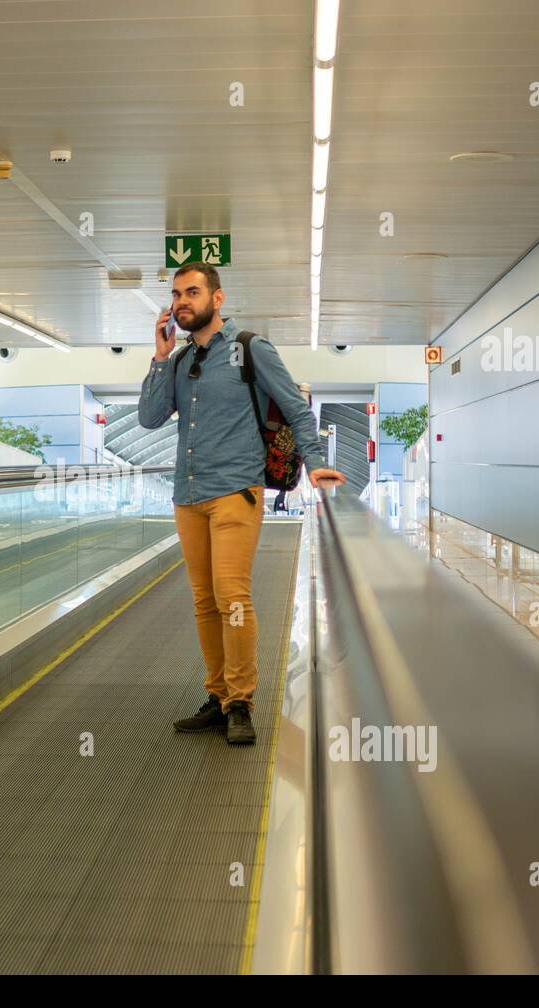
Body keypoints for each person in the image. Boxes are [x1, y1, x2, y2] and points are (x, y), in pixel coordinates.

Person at [138, 264, 345, 745]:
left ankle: (240, 701)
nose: (182, 302)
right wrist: (160, 356)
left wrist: (314, 463)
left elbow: (295, 407)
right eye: (176, 295)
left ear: (218, 297)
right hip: (188, 496)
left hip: (236, 490)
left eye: (192, 292)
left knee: (232, 596)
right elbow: (149, 418)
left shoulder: (250, 348)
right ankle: (215, 695)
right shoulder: (182, 359)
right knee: (204, 601)